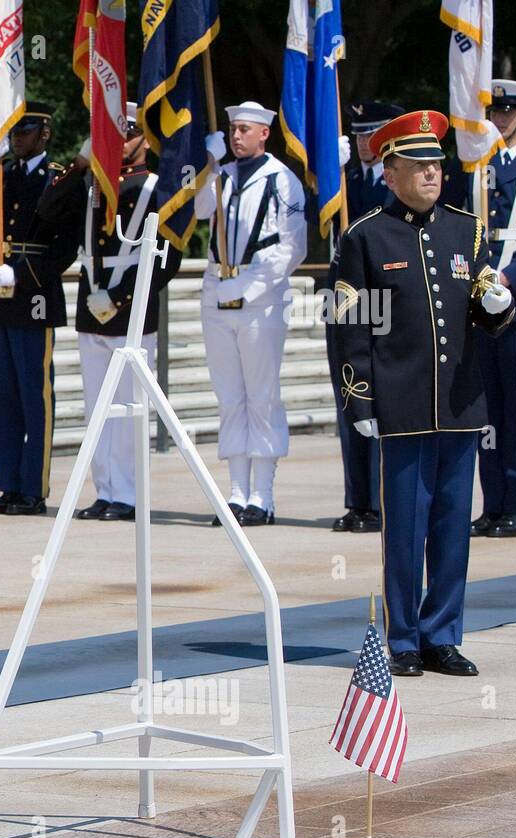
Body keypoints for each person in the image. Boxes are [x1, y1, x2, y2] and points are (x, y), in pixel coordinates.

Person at [332, 109, 514, 677]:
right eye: (419, 165)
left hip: (459, 403)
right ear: (390, 172)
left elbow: (481, 314)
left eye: (436, 164)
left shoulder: (467, 229)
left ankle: (443, 635)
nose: (433, 174)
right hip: (402, 403)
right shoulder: (365, 238)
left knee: (454, 527)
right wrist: (359, 400)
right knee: (407, 529)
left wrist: (497, 310)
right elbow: (349, 326)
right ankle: (404, 639)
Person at [37, 102, 180, 521]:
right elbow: (47, 212)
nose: (118, 142)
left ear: (145, 138)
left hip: (130, 308)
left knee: (131, 406)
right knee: (97, 405)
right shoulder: (94, 183)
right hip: (91, 301)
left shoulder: (156, 186)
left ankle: (130, 494)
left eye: (127, 133)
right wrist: (81, 163)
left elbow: (166, 259)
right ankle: (106, 490)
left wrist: (121, 299)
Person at [195, 101, 307, 526]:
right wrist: (211, 165)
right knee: (230, 397)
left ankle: (263, 495)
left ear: (264, 133)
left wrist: (248, 286)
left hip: (261, 296)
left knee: (261, 396)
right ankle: (237, 492)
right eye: (232, 129)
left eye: (244, 129)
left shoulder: (283, 180)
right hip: (216, 289)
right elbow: (201, 211)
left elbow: (292, 247)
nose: (237, 136)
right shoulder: (220, 176)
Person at [0, 102, 79, 516]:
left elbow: (67, 245)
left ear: (44, 134)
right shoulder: (1, 173)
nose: (18, 139)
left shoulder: (59, 179)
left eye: (25, 132)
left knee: (35, 396)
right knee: (1, 399)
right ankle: (8, 484)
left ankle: (34, 488)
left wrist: (25, 273)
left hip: (33, 296)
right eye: (14, 132)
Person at [462, 80, 516, 539]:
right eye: (496, 110)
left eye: (511, 110)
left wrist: (510, 279)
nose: (501, 118)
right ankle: (491, 504)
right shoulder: (477, 166)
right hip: (480, 301)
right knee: (485, 411)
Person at [326, 101, 403, 533]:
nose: (361, 144)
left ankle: (385, 498)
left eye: (370, 136)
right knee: (350, 396)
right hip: (346, 299)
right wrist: (328, 180)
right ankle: (360, 501)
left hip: (386, 298)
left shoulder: (400, 183)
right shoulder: (344, 180)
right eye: (358, 136)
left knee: (386, 397)